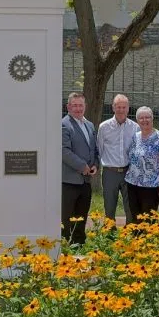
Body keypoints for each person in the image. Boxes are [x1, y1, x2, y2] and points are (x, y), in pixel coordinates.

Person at [60, 92, 99, 244]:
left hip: (86, 181)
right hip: (69, 181)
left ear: (85, 106)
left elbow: (93, 148)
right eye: (74, 105)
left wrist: (95, 164)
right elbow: (63, 151)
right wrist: (82, 166)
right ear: (68, 106)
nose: (78, 108)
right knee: (67, 219)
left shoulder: (89, 125)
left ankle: (79, 247)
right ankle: (65, 248)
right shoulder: (64, 124)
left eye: (80, 105)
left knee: (81, 218)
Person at [124, 107, 159, 224]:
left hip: (151, 185)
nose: (144, 120)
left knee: (148, 218)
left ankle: (147, 241)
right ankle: (136, 241)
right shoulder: (136, 136)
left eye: (147, 117)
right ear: (137, 120)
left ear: (152, 118)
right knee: (135, 216)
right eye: (141, 118)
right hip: (132, 182)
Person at [97, 94, 139, 224]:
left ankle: (130, 233)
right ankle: (109, 233)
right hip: (110, 171)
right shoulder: (104, 127)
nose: (121, 110)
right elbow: (99, 149)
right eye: (118, 107)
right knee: (109, 206)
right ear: (113, 108)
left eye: (124, 107)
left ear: (128, 108)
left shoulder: (135, 127)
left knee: (130, 206)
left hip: (128, 171)